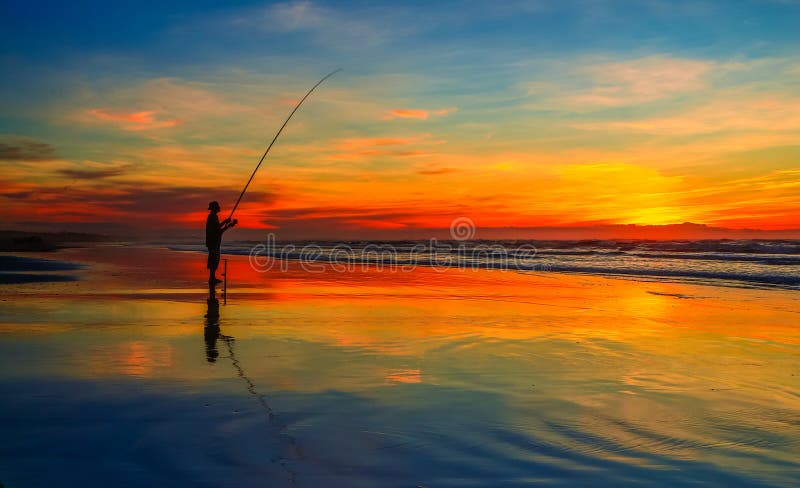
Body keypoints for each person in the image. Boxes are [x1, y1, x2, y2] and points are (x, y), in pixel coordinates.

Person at [205, 201, 236, 285]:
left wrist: (228, 225)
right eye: (218, 206)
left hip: (214, 241)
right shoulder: (212, 217)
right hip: (213, 242)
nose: (219, 207)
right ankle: (211, 278)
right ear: (215, 208)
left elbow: (219, 230)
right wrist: (226, 222)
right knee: (213, 259)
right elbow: (217, 228)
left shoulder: (214, 216)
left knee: (215, 259)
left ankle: (212, 278)